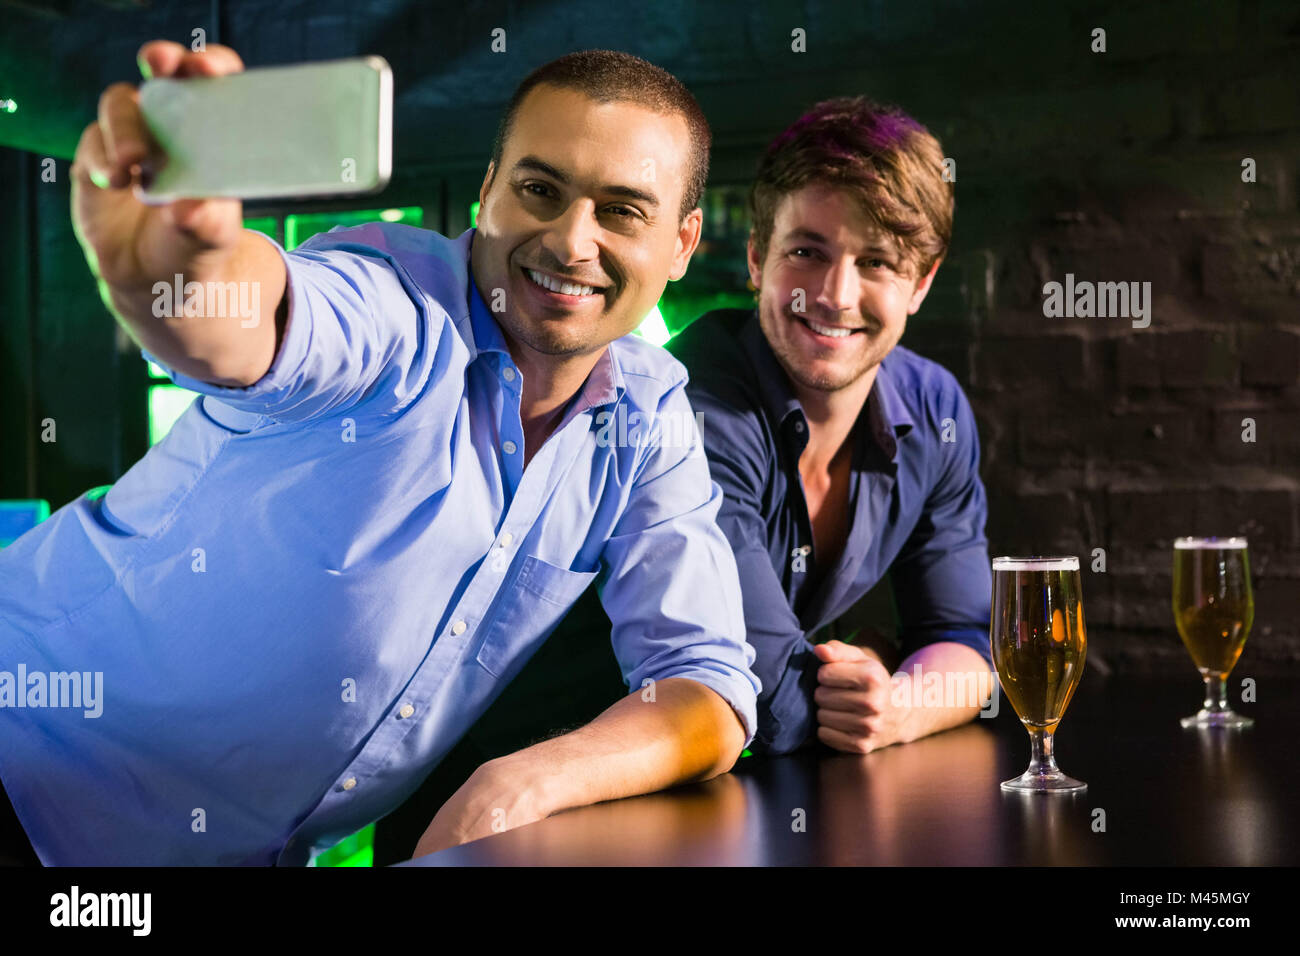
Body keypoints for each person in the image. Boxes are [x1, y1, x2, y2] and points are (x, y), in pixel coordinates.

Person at [0, 39, 759, 866]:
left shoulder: (646, 414)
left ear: (684, 242)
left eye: (621, 210)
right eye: (539, 189)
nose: (572, 241)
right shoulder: (394, 305)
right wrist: (174, 280)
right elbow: (259, 322)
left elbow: (706, 682)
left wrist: (523, 784)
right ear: (487, 191)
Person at [665, 96, 994, 756]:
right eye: (808, 251)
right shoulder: (694, 397)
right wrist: (877, 685)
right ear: (758, 258)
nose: (836, 295)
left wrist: (898, 706)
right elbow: (774, 698)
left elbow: (965, 643)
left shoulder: (935, 409)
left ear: (920, 285)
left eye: (876, 262)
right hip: (556, 781)